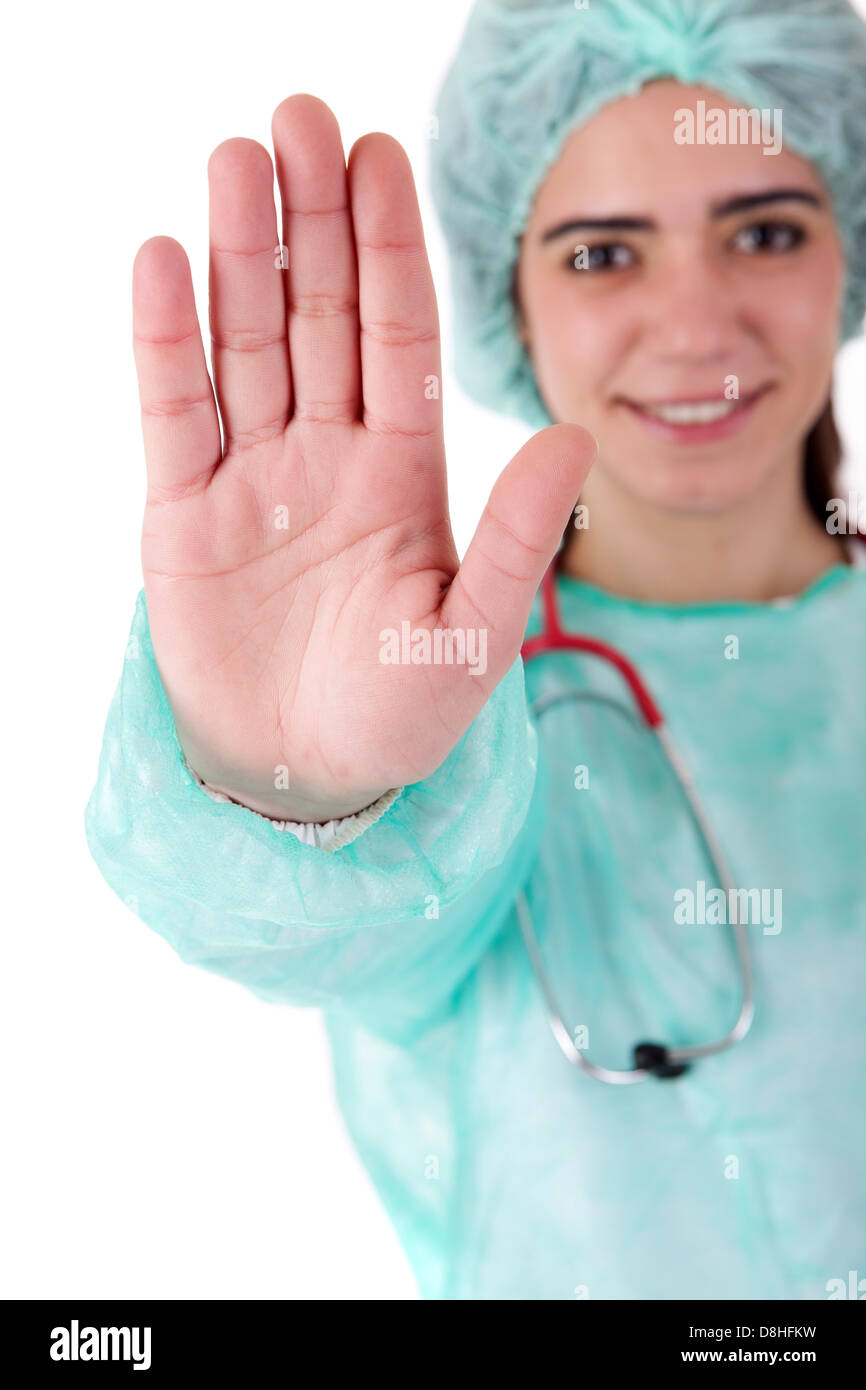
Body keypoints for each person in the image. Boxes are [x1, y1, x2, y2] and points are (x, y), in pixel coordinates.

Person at [85, 0, 866, 1299]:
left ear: (849, 246)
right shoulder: (460, 735)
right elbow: (333, 917)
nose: (695, 327)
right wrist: (292, 781)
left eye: (765, 229)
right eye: (601, 254)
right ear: (507, 289)